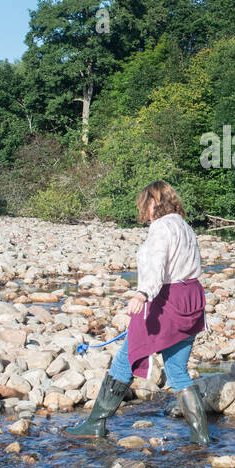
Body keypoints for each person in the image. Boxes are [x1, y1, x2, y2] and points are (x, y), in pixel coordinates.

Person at [66, 181, 211, 445]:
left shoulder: (160, 228)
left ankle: (95, 424)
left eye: (144, 202)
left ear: (154, 202)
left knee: (126, 359)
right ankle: (201, 437)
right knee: (177, 369)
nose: (142, 208)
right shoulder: (184, 226)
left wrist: (142, 293)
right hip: (192, 298)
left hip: (165, 300)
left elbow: (156, 267)